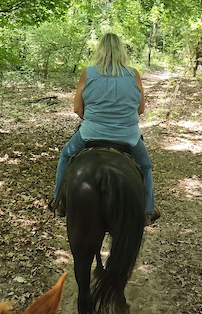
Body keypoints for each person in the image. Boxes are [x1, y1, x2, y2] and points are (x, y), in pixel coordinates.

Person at [50, 32, 160, 224]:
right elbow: (140, 109)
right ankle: (148, 209)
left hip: (91, 133)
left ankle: (58, 202)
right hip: (128, 136)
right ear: (121, 51)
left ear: (100, 50)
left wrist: (95, 119)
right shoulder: (134, 74)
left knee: (66, 155)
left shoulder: (89, 72)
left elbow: (77, 108)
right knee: (146, 166)